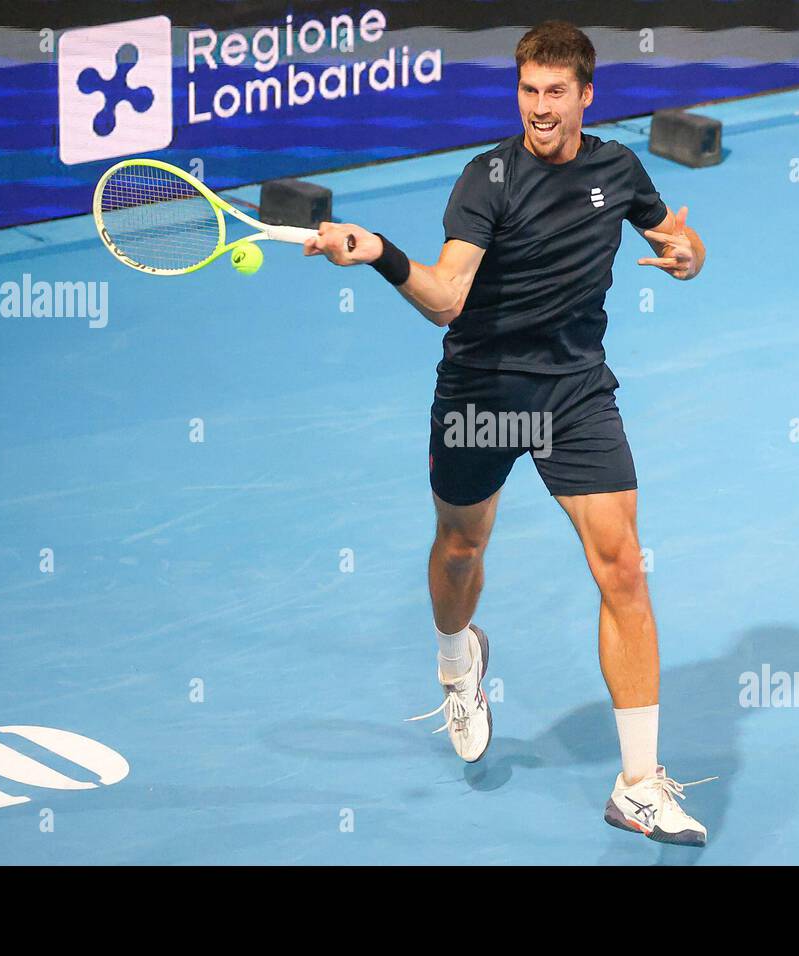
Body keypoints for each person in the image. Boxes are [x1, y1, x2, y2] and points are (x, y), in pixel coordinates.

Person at [304, 20, 710, 846]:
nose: (540, 108)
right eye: (528, 91)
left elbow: (678, 237)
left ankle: (637, 784)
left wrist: (687, 254)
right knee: (460, 551)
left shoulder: (617, 169)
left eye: (555, 91)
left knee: (624, 567)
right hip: (482, 393)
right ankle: (458, 661)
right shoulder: (485, 178)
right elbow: (448, 297)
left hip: (573, 394)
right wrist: (380, 250)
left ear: (587, 95)